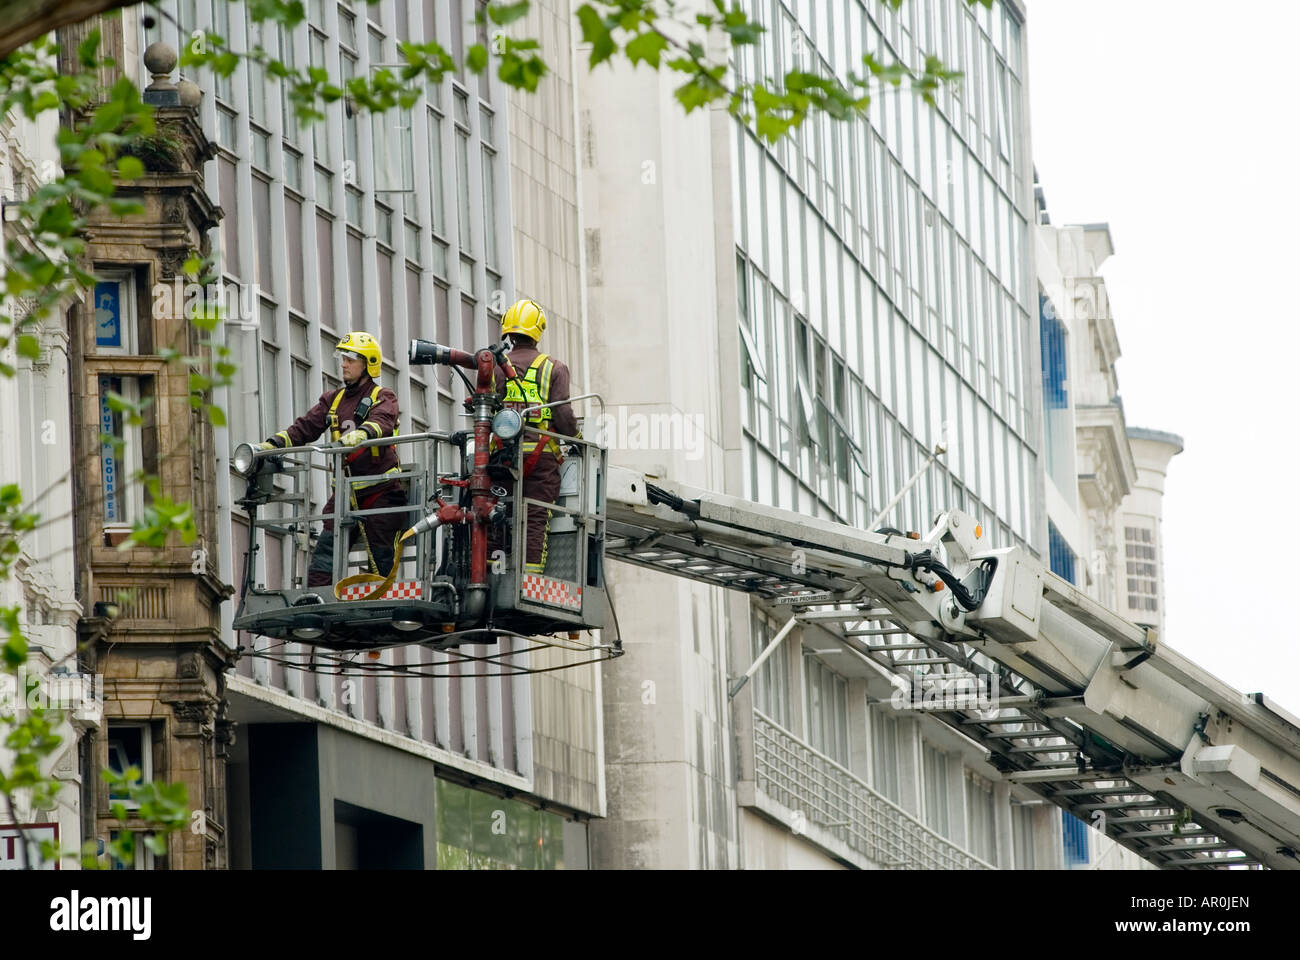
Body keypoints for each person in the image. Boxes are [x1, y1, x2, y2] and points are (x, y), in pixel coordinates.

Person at [253, 331, 406, 587]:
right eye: (342, 358)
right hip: (344, 496)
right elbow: (304, 429)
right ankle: (317, 599)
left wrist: (360, 434)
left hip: (381, 493)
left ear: (368, 363)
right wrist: (271, 445)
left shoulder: (383, 396)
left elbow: (382, 422)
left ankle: (379, 601)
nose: (343, 364)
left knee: (380, 556)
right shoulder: (332, 400)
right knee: (325, 554)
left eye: (350, 359)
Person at [493, 299, 578, 574]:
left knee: (499, 514)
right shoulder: (554, 367)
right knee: (535, 517)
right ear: (538, 330)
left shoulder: (495, 368)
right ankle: (530, 579)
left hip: (501, 457)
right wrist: (576, 438)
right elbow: (562, 414)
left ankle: (496, 573)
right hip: (540, 460)